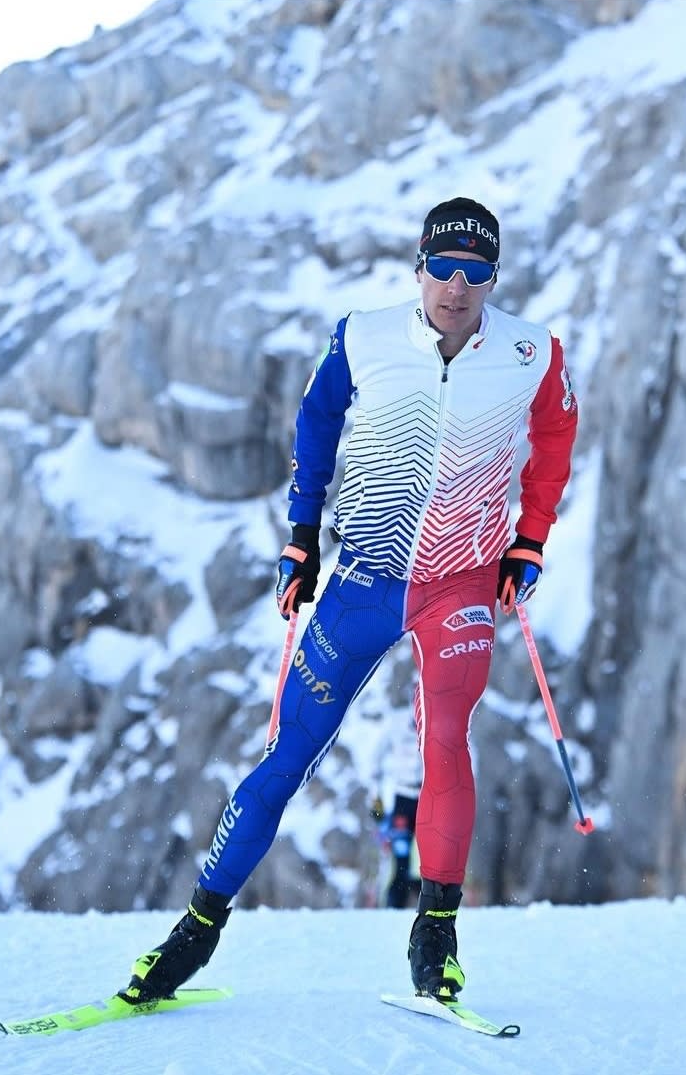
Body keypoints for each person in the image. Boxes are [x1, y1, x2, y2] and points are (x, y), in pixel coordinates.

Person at [120, 197, 578, 1004]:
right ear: (421, 268)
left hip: (462, 582)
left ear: (493, 278)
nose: (458, 287)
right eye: (444, 268)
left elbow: (555, 439)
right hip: (363, 580)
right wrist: (301, 535)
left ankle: (435, 936)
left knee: (445, 738)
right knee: (289, 754)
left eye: (476, 272)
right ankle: (194, 929)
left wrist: (530, 538)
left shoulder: (531, 351)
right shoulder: (363, 336)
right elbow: (317, 415)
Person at [369, 710, 424, 909]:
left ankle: (427, 909)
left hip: (427, 797)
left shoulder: (436, 724)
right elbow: (375, 762)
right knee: (400, 857)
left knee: (428, 859)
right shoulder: (396, 724)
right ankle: (394, 906)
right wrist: (376, 799)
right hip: (402, 798)